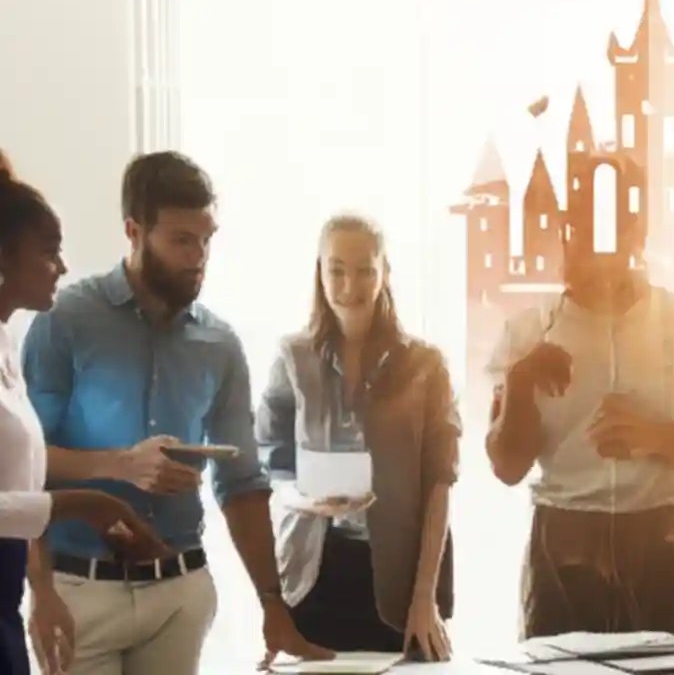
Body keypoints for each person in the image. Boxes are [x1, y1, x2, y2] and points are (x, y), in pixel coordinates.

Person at [21, 151, 330, 675]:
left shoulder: (220, 343)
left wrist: (272, 605)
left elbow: (242, 482)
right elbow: (25, 466)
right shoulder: (65, 321)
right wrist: (42, 589)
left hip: (180, 596)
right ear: (134, 231)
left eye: (206, 239)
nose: (198, 257)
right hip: (80, 592)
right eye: (182, 240)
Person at [485, 192, 674, 651]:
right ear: (566, 236)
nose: (594, 251)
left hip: (660, 542)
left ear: (636, 235)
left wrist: (654, 437)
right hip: (564, 546)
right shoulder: (528, 330)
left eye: (607, 234)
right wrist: (519, 382)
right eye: (581, 233)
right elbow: (507, 468)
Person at [257, 214, 459, 659]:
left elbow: (439, 483)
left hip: (400, 579)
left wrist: (424, 597)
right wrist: (304, 499)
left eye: (366, 270)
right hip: (311, 573)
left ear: (385, 272)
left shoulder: (425, 366)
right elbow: (272, 464)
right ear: (320, 272)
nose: (350, 286)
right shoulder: (292, 358)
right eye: (337, 270)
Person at [0, 159, 169, 675]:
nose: (62, 266)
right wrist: (85, 503)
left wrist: (41, 588)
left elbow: (19, 487)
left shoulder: (7, 345)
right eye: (49, 252)